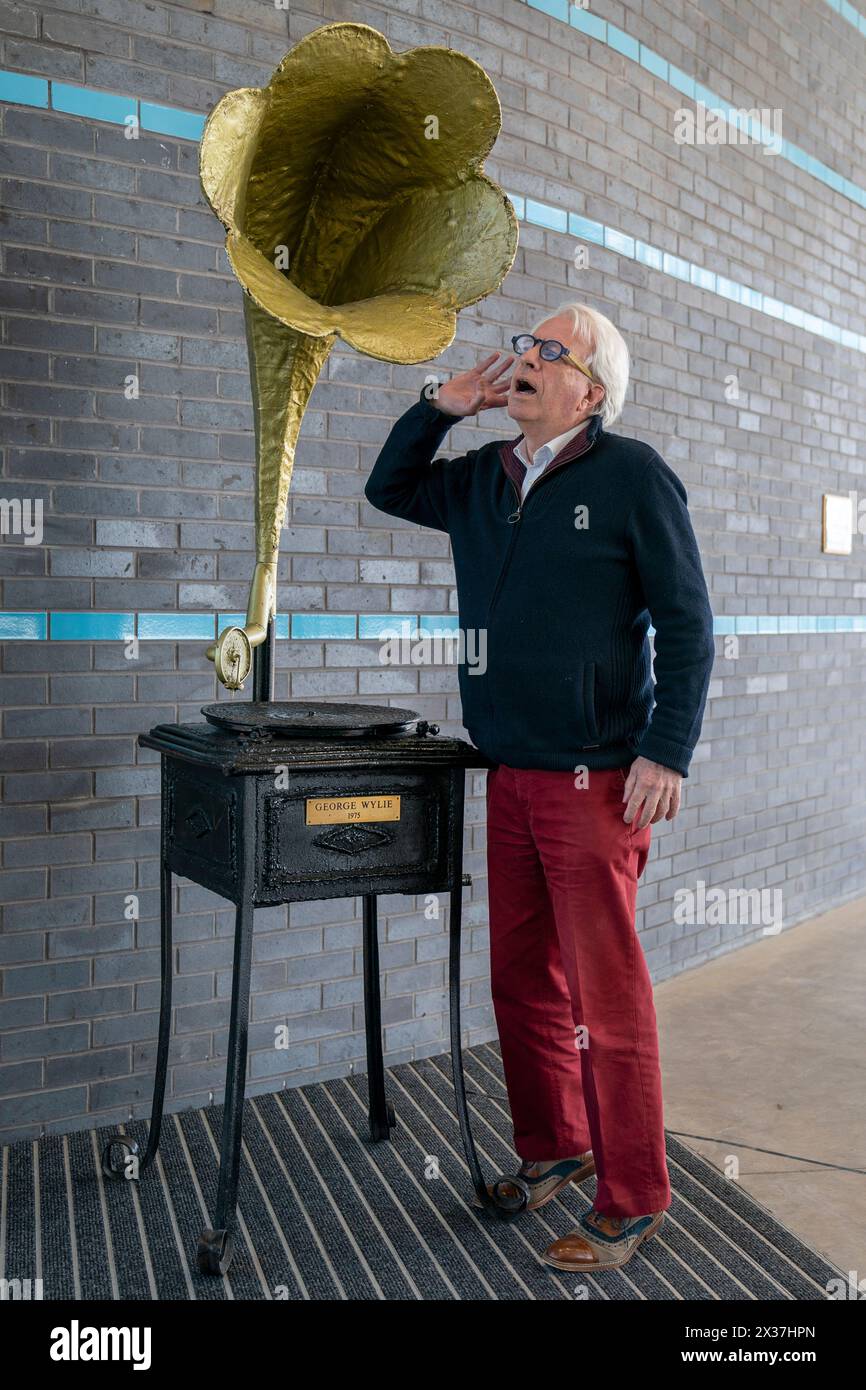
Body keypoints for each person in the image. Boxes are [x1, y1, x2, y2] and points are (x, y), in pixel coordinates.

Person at [364, 301, 715, 1272]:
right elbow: (387, 485)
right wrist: (443, 405)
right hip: (508, 774)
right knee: (520, 980)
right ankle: (552, 1144)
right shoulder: (483, 476)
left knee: (606, 1000)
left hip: (595, 783)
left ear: (589, 389)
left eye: (545, 350)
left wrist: (666, 749)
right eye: (521, 345)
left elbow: (687, 626)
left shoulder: (632, 475)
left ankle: (633, 1193)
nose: (522, 357)